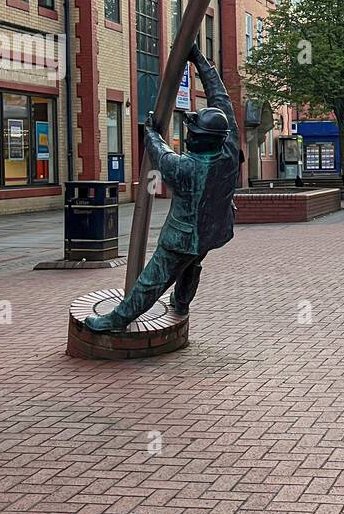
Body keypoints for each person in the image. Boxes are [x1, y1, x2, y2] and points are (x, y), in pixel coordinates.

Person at [85, 42, 242, 332]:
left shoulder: (185, 168)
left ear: (198, 138)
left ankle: (117, 320)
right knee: (193, 263)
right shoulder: (230, 147)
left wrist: (150, 133)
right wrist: (199, 61)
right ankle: (181, 303)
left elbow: (160, 152)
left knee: (152, 279)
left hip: (182, 238)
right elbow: (220, 98)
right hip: (216, 229)